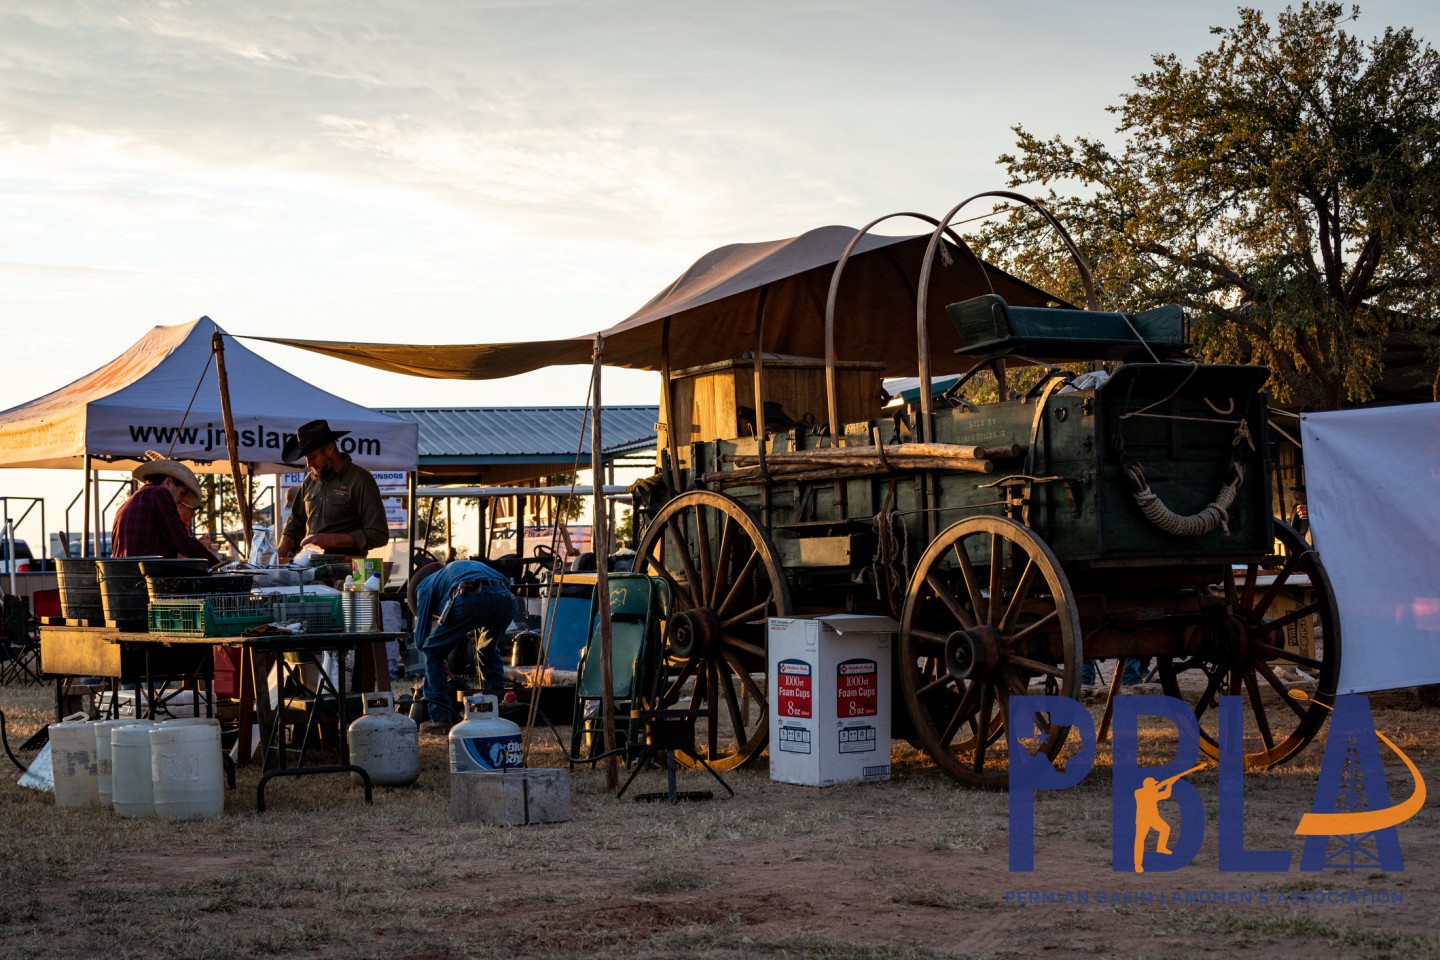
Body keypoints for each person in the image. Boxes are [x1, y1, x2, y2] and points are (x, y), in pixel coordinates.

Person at [407, 559, 516, 733]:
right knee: (487, 650)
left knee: (431, 651)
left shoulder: (424, 586)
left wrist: (439, 657)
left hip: (471, 597)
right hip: (506, 599)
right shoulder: (456, 572)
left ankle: (440, 719)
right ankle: (495, 709)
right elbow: (501, 583)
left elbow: (421, 639)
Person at [275, 419, 388, 563]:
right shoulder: (310, 480)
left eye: (312, 457)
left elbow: (379, 534)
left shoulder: (361, 480)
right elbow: (296, 521)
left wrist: (332, 539)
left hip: (345, 570)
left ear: (329, 449)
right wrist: (281, 549)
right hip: (306, 564)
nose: (309, 464)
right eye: (306, 458)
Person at [111, 458, 220, 563]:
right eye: (181, 493)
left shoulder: (126, 504)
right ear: (168, 482)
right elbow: (181, 541)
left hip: (125, 573)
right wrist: (216, 564)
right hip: (149, 574)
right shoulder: (160, 494)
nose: (181, 501)